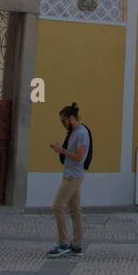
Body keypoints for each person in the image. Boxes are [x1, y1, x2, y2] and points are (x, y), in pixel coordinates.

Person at [46, 103, 90, 258]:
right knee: (75, 211)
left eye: (64, 121)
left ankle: (64, 243)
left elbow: (79, 158)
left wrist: (61, 151)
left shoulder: (81, 133)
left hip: (73, 176)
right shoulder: (74, 132)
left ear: (71, 119)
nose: (63, 124)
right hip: (70, 174)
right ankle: (76, 245)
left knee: (58, 206)